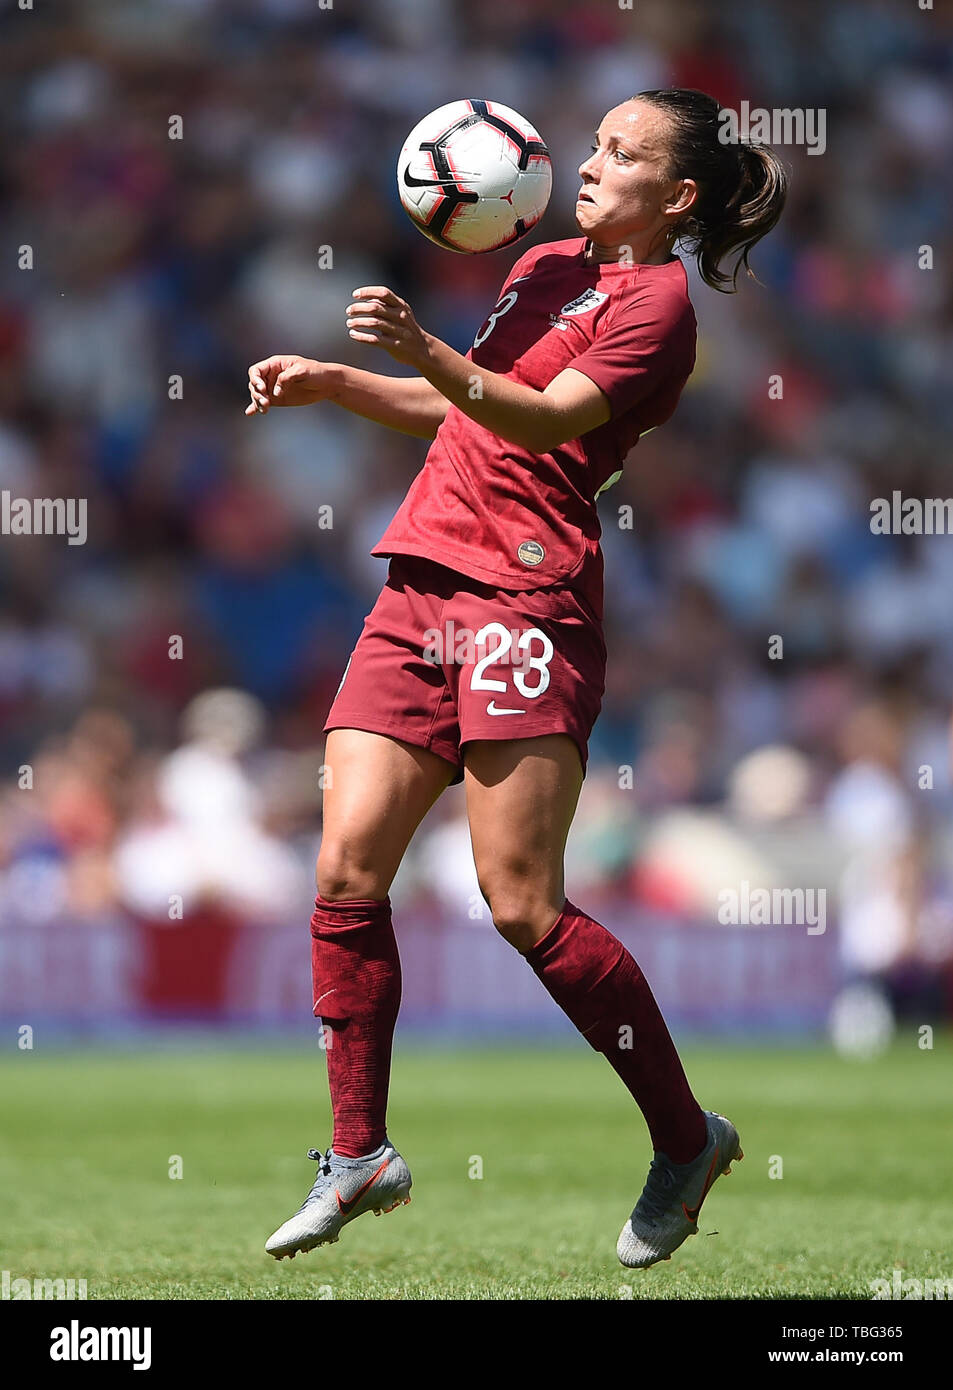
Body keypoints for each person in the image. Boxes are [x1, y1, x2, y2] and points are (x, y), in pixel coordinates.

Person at [245, 89, 786, 1269]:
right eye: (591, 141)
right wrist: (339, 382)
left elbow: (539, 423)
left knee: (519, 902)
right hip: (418, 582)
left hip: (522, 595)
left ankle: (684, 1138)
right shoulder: (542, 261)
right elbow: (461, 416)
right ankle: (356, 1155)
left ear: (677, 196)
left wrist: (421, 349)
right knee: (343, 866)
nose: (582, 163)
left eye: (617, 152)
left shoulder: (656, 308)